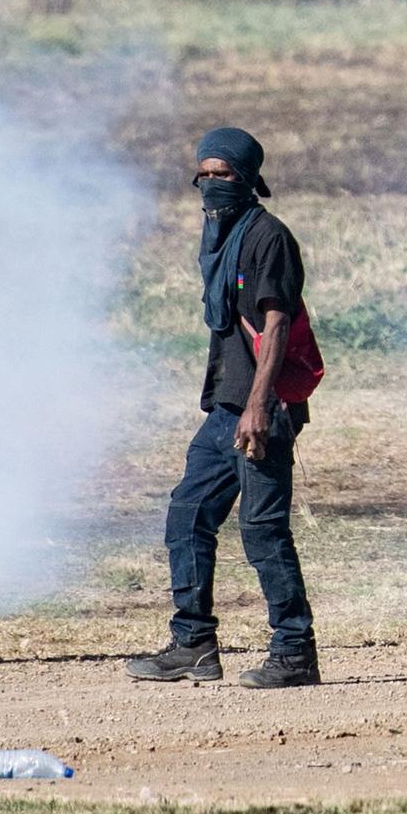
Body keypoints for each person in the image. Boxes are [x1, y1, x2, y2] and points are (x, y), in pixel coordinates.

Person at [131, 124, 324, 688]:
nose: (213, 184)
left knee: (263, 533)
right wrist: (234, 402)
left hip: (261, 410)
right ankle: (193, 644)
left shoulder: (268, 237)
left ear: (248, 179)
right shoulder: (220, 235)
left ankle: (294, 653)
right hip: (225, 407)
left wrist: (260, 407)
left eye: (225, 174)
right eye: (205, 174)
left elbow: (277, 322)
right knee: (187, 515)